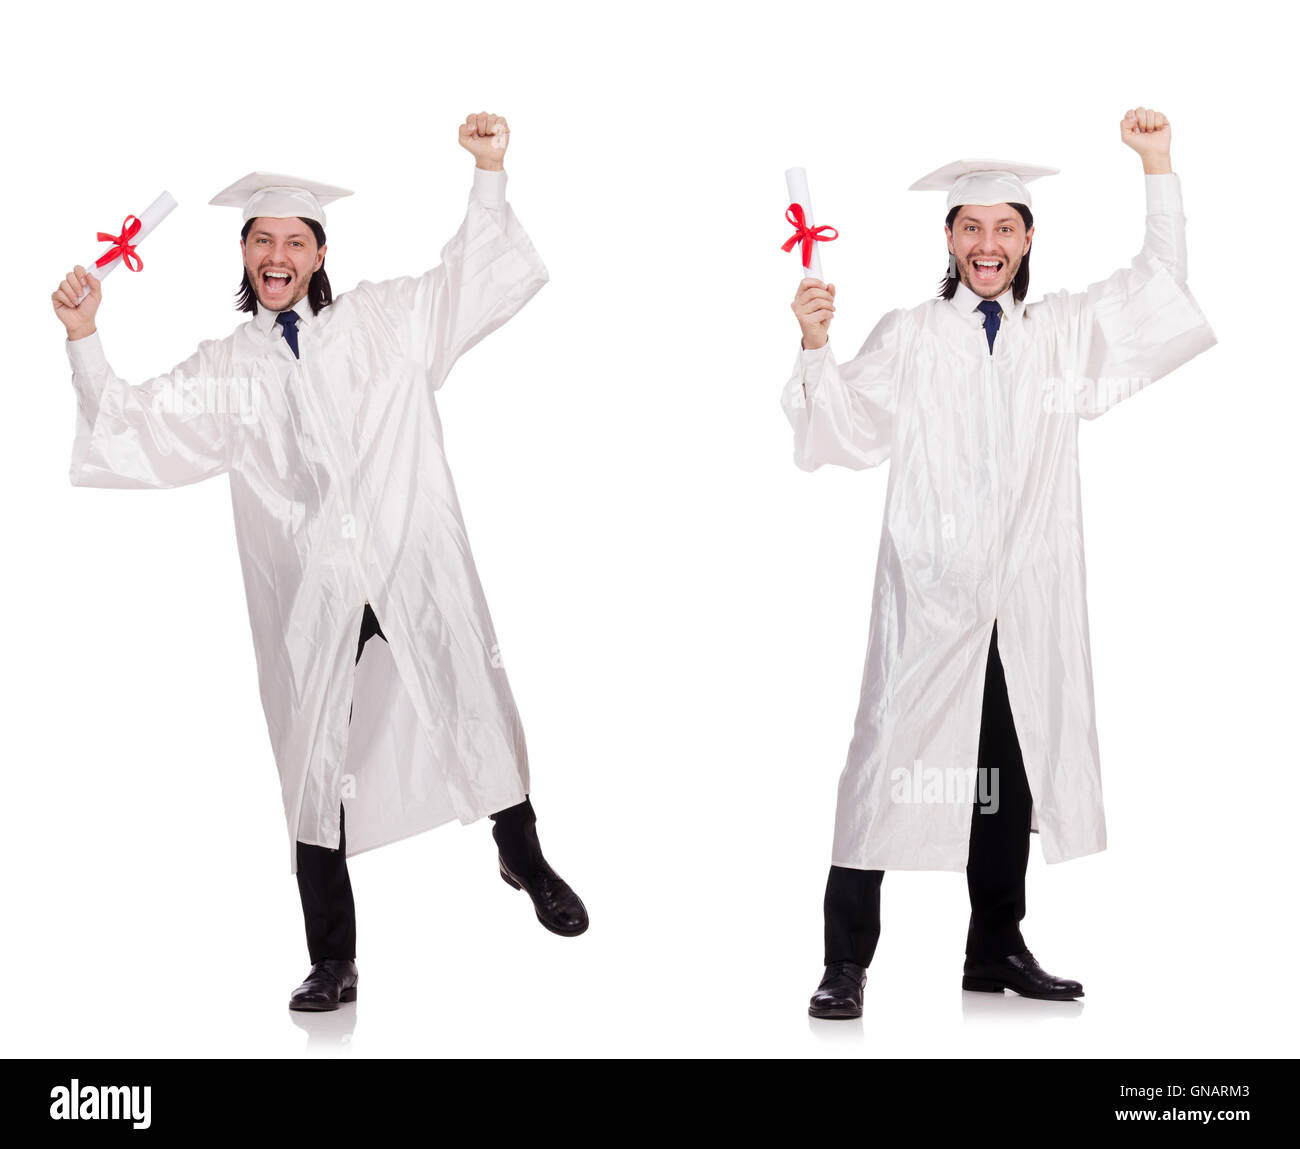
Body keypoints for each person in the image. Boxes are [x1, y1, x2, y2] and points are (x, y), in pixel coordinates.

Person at [53, 112, 588, 1014]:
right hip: (314, 590)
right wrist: (83, 336)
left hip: (409, 557)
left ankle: (523, 854)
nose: (278, 254)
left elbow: (470, 275)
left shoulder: (384, 321)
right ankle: (333, 958)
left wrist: (489, 170)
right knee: (313, 763)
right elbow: (135, 424)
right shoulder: (228, 368)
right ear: (244, 253)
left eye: (294, 240)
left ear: (320, 252)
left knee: (467, 687)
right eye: (262, 240)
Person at [782, 108, 1215, 1019]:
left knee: (1006, 777)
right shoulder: (913, 335)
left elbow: (1160, 287)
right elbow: (843, 433)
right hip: (929, 598)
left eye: (1005, 228)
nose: (989, 245)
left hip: (1025, 599)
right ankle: (844, 961)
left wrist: (1158, 165)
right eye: (972, 228)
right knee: (882, 766)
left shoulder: (1061, 336)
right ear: (949, 238)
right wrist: (817, 346)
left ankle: (996, 948)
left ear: (1027, 239)